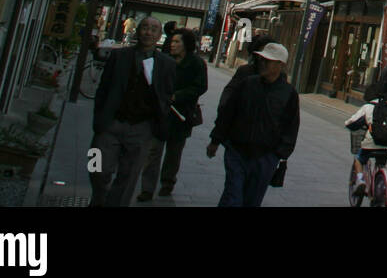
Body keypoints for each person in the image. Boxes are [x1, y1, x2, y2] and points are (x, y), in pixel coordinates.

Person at [90, 17, 176, 206]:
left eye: (153, 29)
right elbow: (104, 88)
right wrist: (99, 116)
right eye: (145, 27)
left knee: (129, 176)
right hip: (112, 121)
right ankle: (97, 199)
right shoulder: (119, 56)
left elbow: (166, 94)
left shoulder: (166, 64)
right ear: (138, 31)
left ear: (158, 35)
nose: (148, 32)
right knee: (96, 166)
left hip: (142, 126)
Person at [207, 41, 299, 207]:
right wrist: (216, 140)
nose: (263, 63)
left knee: (252, 201)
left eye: (268, 61)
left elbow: (291, 127)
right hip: (237, 150)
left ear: (280, 65)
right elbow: (229, 113)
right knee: (233, 196)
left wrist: (279, 154)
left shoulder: (288, 93)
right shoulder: (248, 84)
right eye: (262, 59)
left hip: (264, 156)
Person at [138, 28, 208, 200]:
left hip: (181, 114)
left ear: (186, 45)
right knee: (153, 151)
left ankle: (167, 182)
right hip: (161, 113)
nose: (173, 45)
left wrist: (179, 95)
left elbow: (200, 86)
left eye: (177, 42)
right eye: (172, 41)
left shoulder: (197, 63)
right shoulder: (164, 60)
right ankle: (147, 188)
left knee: (174, 152)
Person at [344, 99, 387, 200]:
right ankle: (381, 183)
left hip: (371, 143)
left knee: (359, 158)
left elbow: (353, 121)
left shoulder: (368, 107)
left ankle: (360, 180)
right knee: (381, 163)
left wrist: (347, 124)